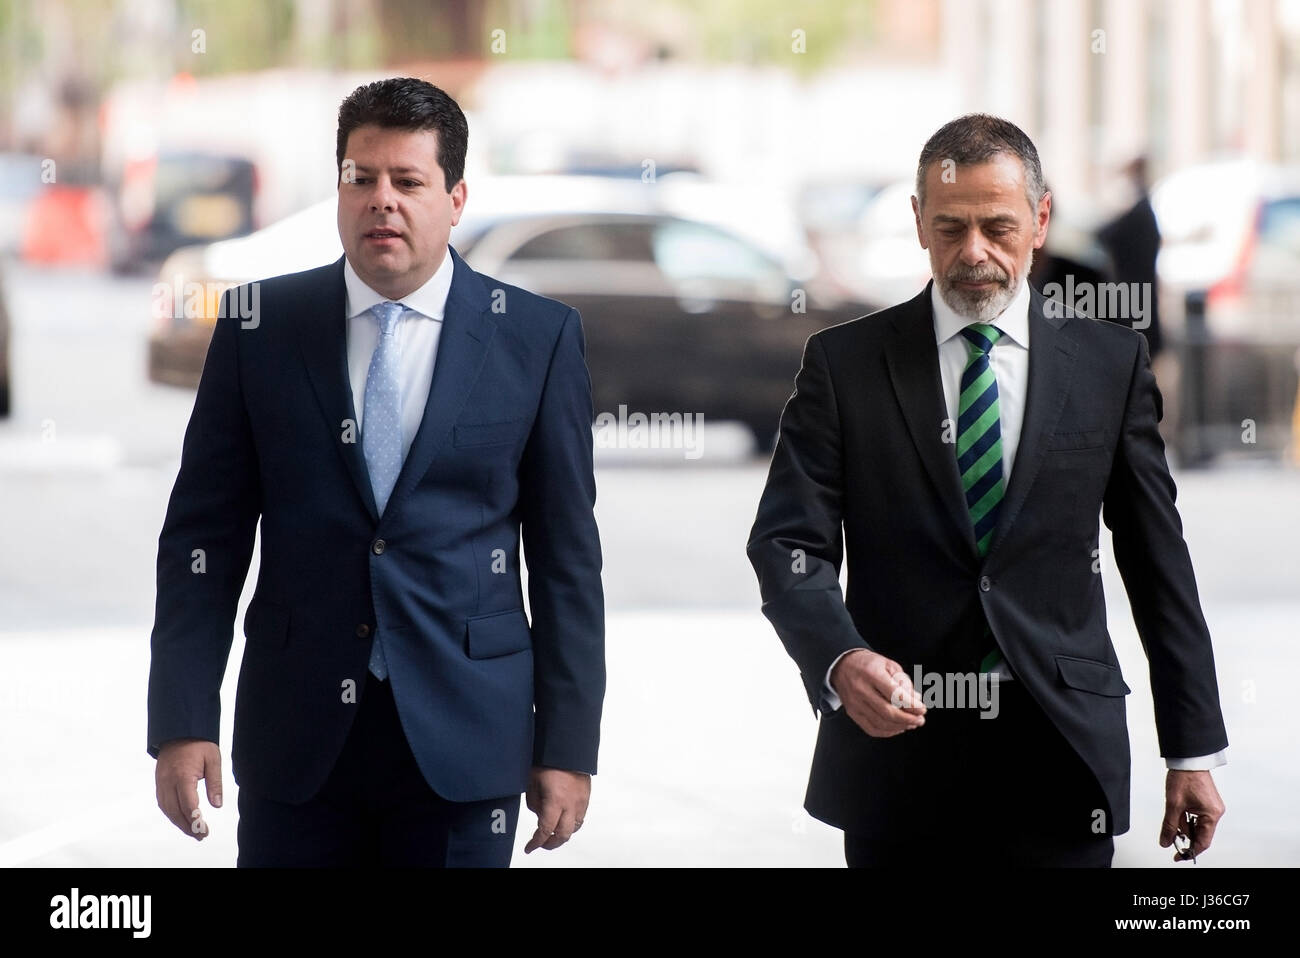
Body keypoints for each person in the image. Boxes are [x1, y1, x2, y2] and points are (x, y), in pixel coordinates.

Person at [746, 114, 1228, 868]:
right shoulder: (843, 366)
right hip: (897, 768)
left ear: (1040, 220)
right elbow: (787, 543)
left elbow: (1156, 556)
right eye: (951, 227)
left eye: (998, 227)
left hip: (1063, 761)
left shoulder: (1110, 363)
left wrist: (1192, 746)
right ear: (917, 223)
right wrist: (840, 658)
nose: (974, 253)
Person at [147, 77, 605, 867]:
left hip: (466, 744)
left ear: (456, 198)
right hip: (297, 741)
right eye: (361, 178)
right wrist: (183, 719)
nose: (381, 200)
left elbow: (567, 562)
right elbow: (203, 542)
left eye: (407, 181)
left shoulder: (536, 338)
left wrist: (568, 745)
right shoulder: (260, 328)